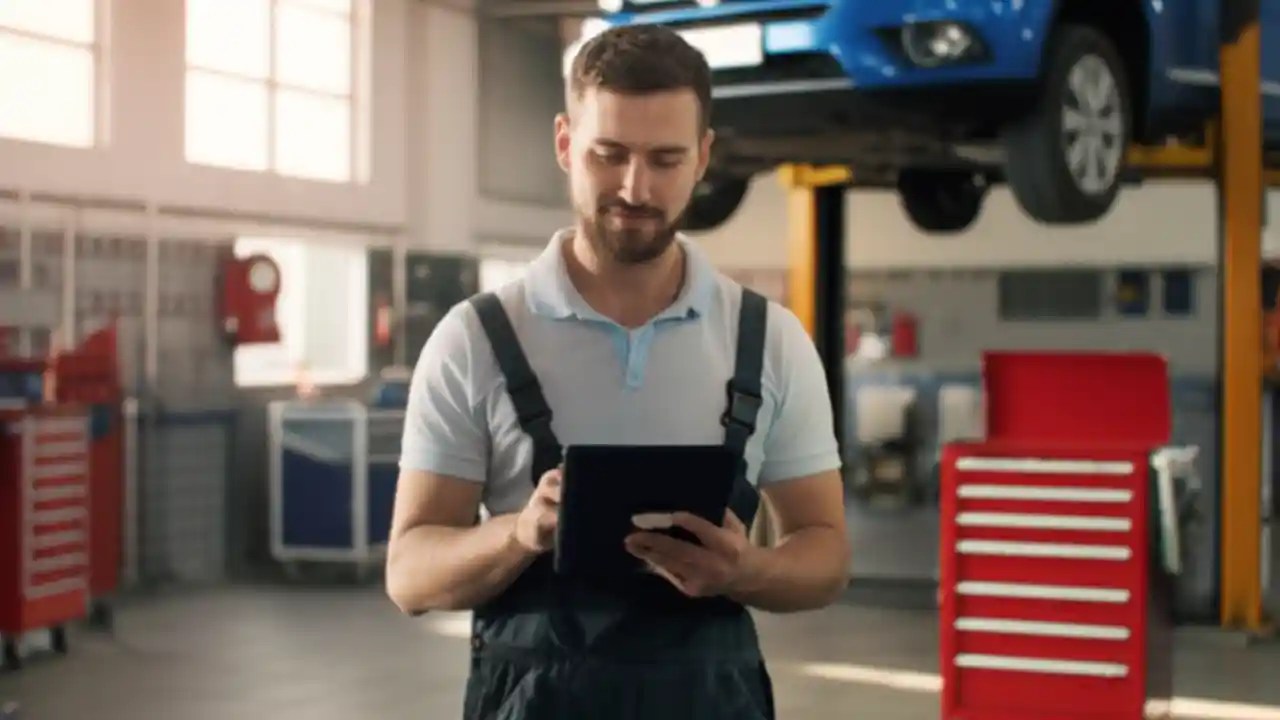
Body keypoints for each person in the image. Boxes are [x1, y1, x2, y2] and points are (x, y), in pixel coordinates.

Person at [386, 23, 850, 720]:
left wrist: (745, 569)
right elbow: (410, 575)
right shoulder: (476, 339)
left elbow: (826, 555)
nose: (635, 188)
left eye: (665, 159)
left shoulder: (769, 341)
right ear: (566, 144)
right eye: (610, 155)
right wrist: (519, 533)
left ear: (703, 158)